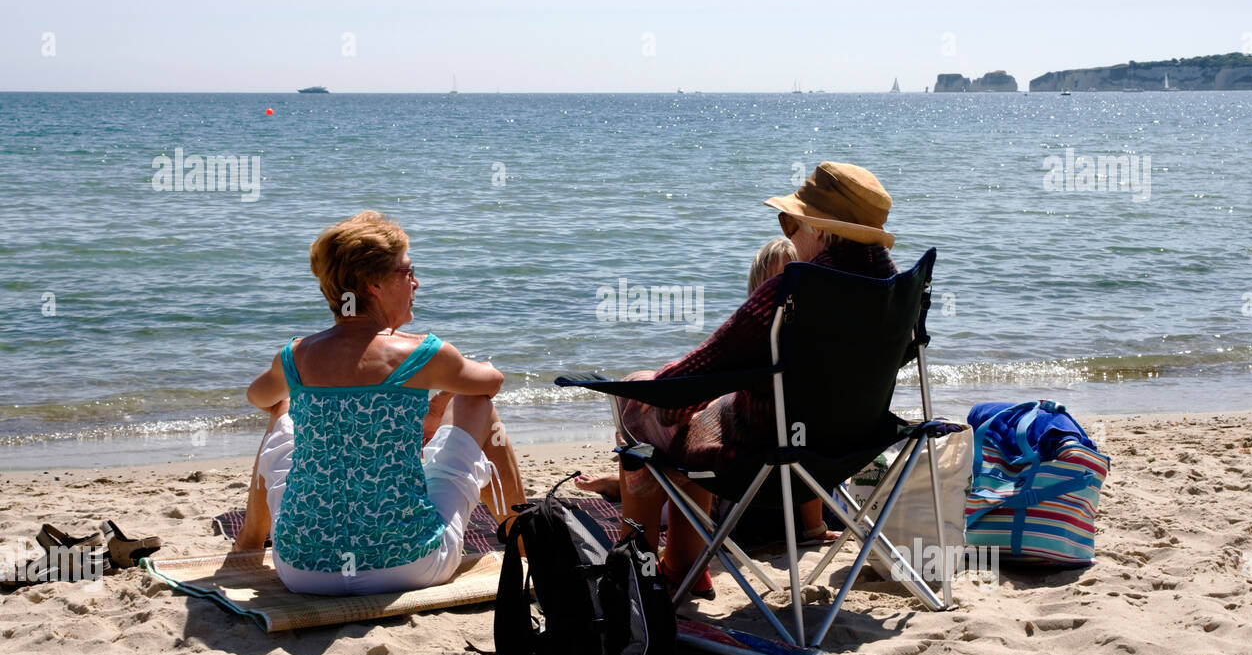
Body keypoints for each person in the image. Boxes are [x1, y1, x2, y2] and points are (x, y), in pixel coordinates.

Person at [613, 162, 899, 599]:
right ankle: (682, 567)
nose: (789, 234)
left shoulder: (792, 292)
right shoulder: (895, 293)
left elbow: (697, 373)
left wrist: (645, 391)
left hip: (764, 458)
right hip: (844, 453)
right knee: (691, 419)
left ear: (820, 231)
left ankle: (638, 575)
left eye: (792, 222)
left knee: (646, 401)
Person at [234, 211, 526, 595]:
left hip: (303, 569)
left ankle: (249, 544)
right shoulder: (423, 353)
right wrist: (437, 404)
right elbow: (491, 382)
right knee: (478, 405)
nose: (416, 283)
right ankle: (523, 541)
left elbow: (258, 396)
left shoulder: (296, 355)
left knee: (282, 409)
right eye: (407, 272)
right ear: (374, 284)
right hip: (408, 565)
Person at [577, 235, 840, 544]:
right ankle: (626, 489)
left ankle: (637, 538)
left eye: (784, 282)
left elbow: (687, 387)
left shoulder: (756, 338)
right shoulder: (826, 345)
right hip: (805, 476)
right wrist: (815, 528)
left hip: (742, 486)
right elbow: (804, 434)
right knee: (674, 411)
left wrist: (660, 397)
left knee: (638, 394)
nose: (778, 291)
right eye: (774, 284)